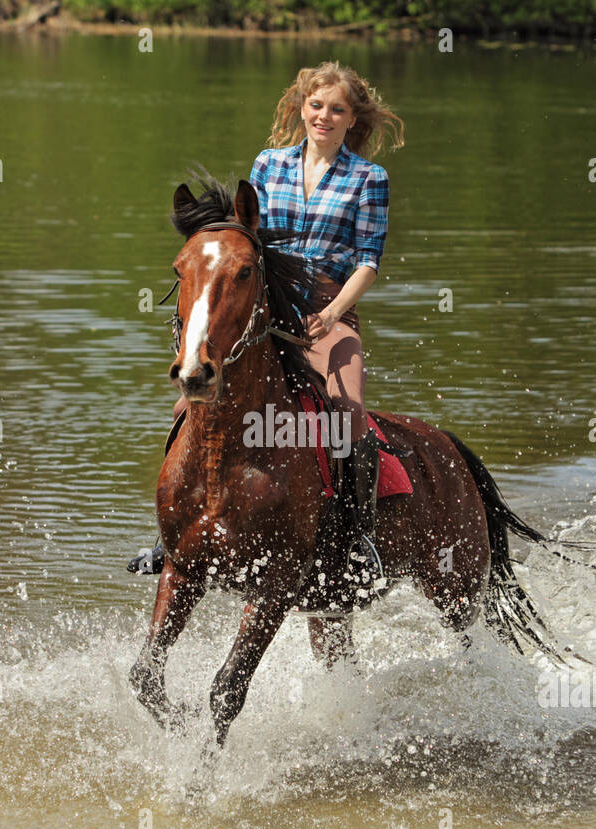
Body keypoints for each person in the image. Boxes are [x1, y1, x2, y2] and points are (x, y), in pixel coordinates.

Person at [129, 61, 405, 583]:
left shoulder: (370, 179)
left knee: (348, 415)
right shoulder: (269, 165)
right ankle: (168, 538)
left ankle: (359, 536)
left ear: (352, 119)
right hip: (263, 305)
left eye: (336, 110)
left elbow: (368, 259)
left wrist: (331, 313)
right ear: (302, 108)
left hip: (328, 309)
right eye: (316, 106)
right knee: (185, 403)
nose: (324, 116)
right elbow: (245, 238)